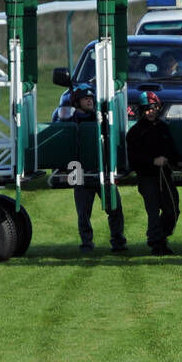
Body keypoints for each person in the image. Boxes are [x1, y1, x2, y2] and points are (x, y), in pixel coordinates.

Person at [53, 83, 127, 254]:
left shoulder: (102, 119)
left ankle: (118, 242)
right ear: (76, 102)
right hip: (79, 172)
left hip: (102, 170)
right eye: (85, 98)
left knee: (115, 208)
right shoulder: (68, 122)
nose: (89, 100)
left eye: (91, 98)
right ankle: (87, 244)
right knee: (83, 213)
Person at [125, 91, 182, 255]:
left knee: (173, 210)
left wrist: (179, 162)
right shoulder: (135, 132)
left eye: (154, 108)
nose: (151, 112)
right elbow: (134, 159)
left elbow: (171, 150)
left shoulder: (164, 127)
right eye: (147, 109)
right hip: (146, 177)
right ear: (142, 111)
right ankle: (157, 243)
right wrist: (152, 161)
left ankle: (159, 237)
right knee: (153, 211)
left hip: (165, 175)